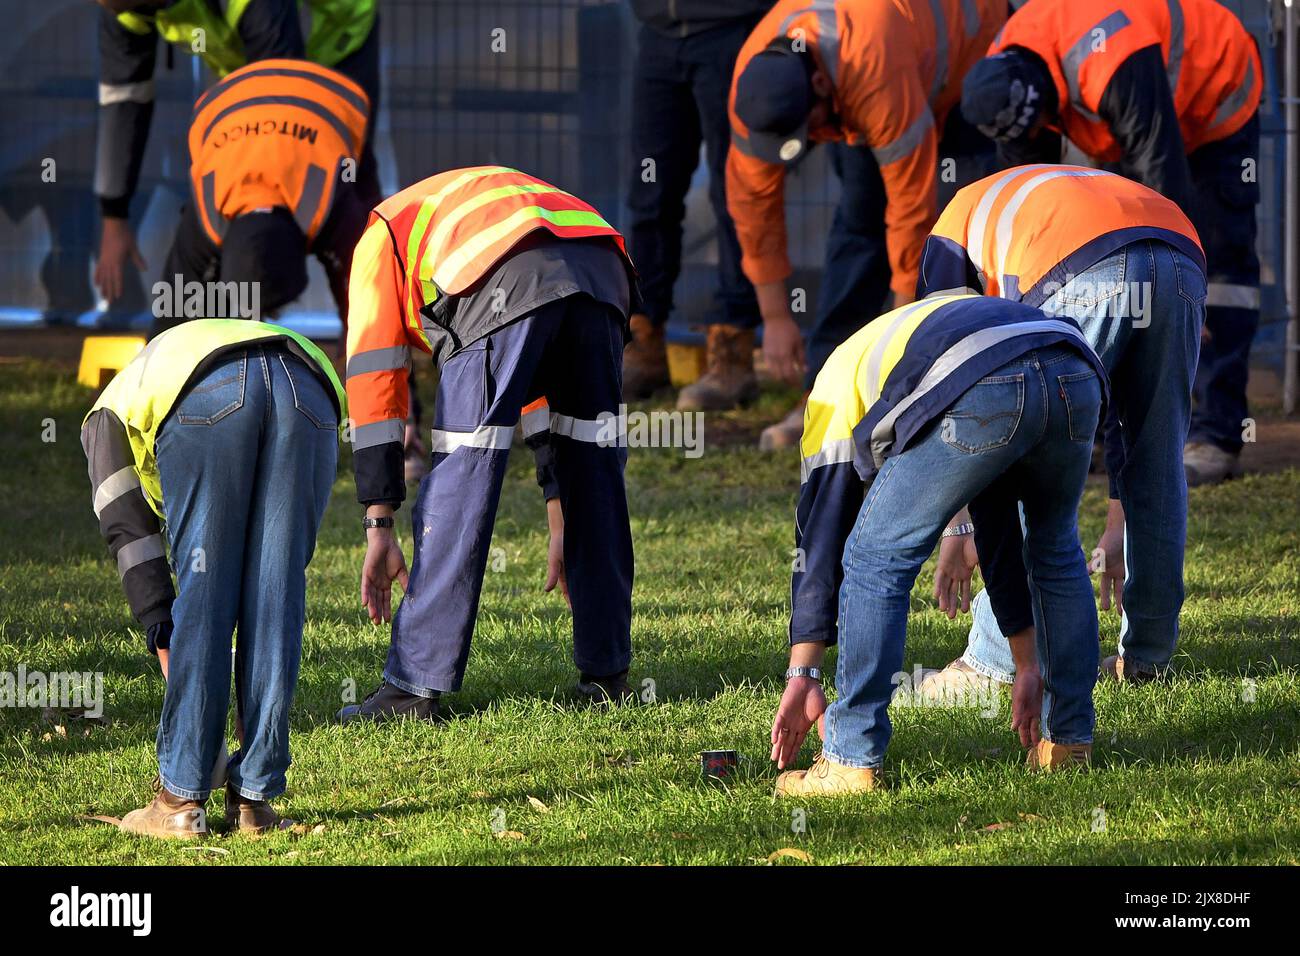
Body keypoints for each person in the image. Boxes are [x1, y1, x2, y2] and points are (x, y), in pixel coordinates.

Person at [770, 293, 1107, 795]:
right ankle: (1068, 740)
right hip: (1074, 367)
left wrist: (804, 671)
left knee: (875, 557)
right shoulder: (920, 332)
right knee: (1054, 547)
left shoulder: (832, 390)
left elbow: (822, 538)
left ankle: (850, 760)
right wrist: (1026, 664)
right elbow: (997, 523)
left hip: (986, 375)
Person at [337, 166, 639, 722]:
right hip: (602, 271)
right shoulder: (473, 204)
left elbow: (376, 384)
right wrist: (558, 510)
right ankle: (608, 674)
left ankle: (413, 688)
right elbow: (531, 375)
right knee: (593, 463)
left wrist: (378, 521)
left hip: (503, 276)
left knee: (463, 469)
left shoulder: (379, 236)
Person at [913, 164, 1206, 691]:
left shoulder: (949, 233)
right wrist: (1117, 526)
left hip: (1084, 263)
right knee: (1158, 459)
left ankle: (994, 662)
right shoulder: (1014, 206)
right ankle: (1147, 658)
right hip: (1179, 250)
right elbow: (1127, 431)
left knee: (1032, 457)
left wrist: (958, 526)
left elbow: (954, 389)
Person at [958, 0, 1261, 485]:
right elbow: (1033, 202)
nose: (1037, 135)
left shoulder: (1109, 56)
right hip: (1118, 117)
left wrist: (1182, 288)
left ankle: (1216, 431)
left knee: (1215, 269)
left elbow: (1159, 170)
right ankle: (1090, 426)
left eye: (1040, 128)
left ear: (1044, 99)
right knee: (1095, 272)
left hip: (1212, 92)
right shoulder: (1005, 84)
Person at [81, 319, 345, 838]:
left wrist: (162, 629)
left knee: (205, 591)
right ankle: (255, 799)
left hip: (211, 393)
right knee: (277, 590)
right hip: (310, 388)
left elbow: (131, 535)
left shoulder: (103, 418)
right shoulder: (155, 370)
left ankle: (180, 798)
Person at [725, 0, 1006, 450]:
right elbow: (751, 202)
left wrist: (900, 340)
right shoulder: (755, 86)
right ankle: (826, 400)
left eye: (807, 129)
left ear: (819, 84)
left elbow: (912, 212)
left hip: (968, 57)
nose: (809, 141)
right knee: (858, 223)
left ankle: (963, 399)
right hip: (880, 75)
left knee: (961, 230)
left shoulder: (872, 69)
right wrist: (776, 316)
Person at [92, 0, 382, 306]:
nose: (106, 7)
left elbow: (283, 116)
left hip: (335, 34)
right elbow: (124, 100)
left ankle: (372, 323)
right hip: (250, 56)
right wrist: (114, 217)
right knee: (249, 196)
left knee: (341, 191)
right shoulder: (121, 8)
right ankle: (242, 331)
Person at [150, 57, 371, 338]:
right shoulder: (206, 215)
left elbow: (369, 291)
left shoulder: (329, 204)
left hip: (333, 95)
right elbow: (173, 316)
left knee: (374, 246)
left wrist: (357, 340)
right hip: (226, 98)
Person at [619, 0, 771, 411]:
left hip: (732, 28)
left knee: (735, 193)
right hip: (658, 31)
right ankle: (644, 342)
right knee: (650, 193)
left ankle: (733, 351)